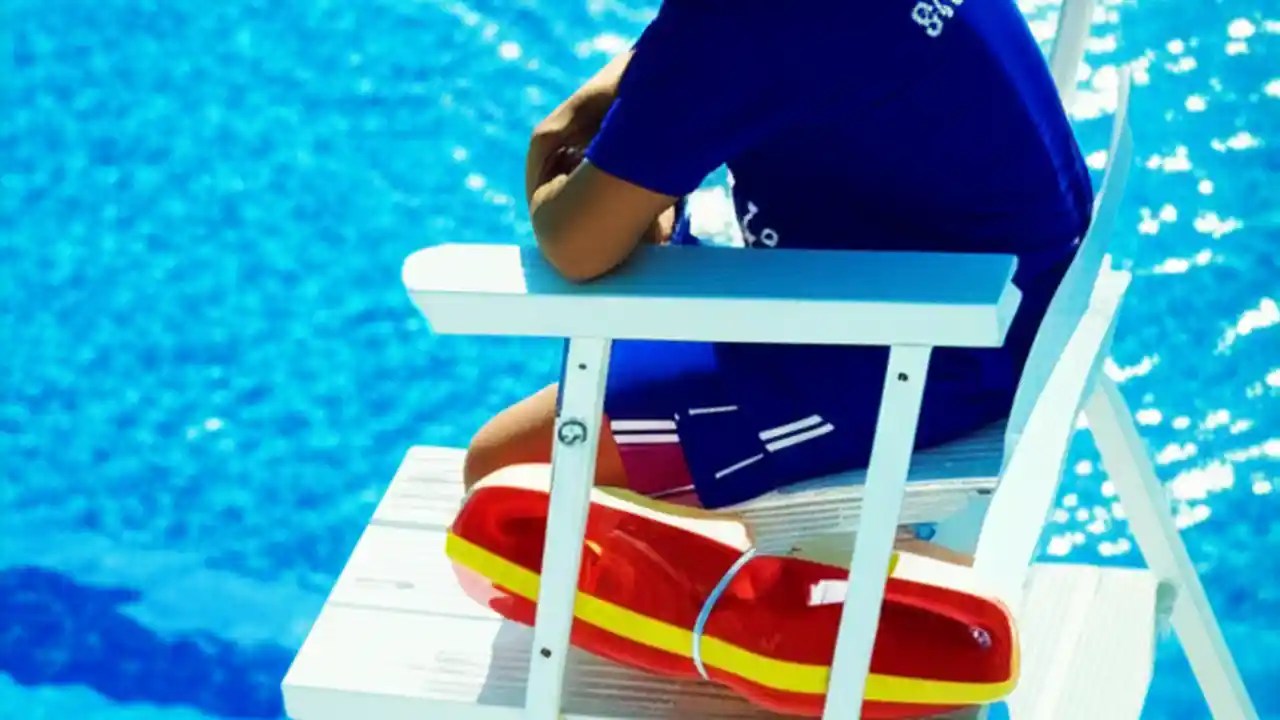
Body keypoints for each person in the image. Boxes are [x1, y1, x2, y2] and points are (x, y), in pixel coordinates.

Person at [462, 0, 1093, 554]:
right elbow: (695, 63)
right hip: (1016, 287)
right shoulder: (734, 31)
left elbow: (575, 244)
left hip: (945, 347)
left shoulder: (738, 26)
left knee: (508, 472)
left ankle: (745, 606)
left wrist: (553, 139)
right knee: (629, 301)